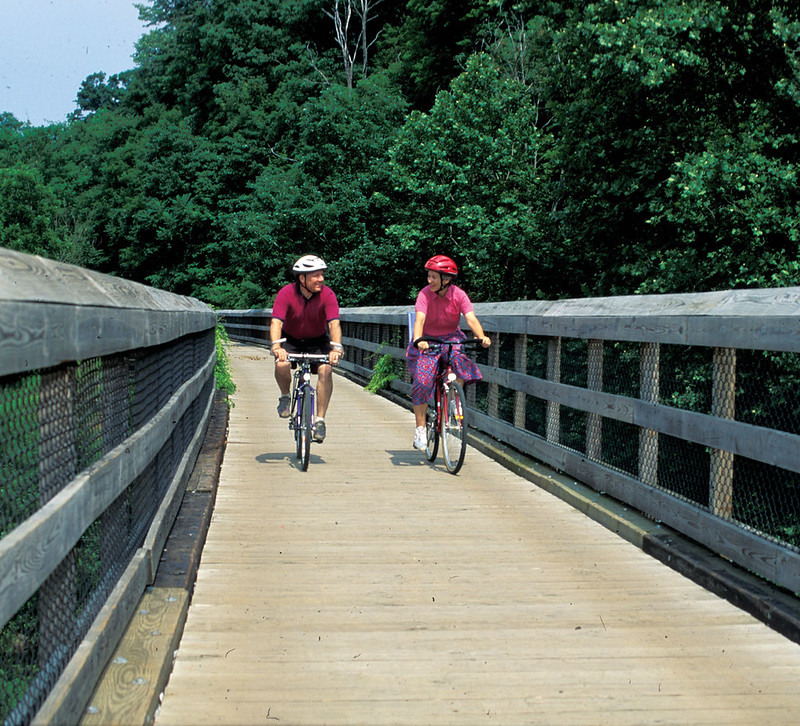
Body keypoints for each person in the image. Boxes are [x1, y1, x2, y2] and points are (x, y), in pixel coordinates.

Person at [407, 254, 491, 450]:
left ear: (446, 279)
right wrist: (418, 340)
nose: (429, 280)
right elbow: (419, 319)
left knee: (460, 360)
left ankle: (453, 398)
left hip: (451, 336)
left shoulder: (459, 295)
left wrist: (482, 336)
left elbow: (470, 318)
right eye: (428, 276)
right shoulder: (424, 294)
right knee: (422, 379)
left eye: (433, 277)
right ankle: (420, 428)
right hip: (428, 339)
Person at [270, 255, 343, 443]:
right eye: (316, 276)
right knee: (282, 364)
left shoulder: (327, 295)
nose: (321, 279)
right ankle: (285, 397)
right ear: (302, 279)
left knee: (326, 369)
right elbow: (276, 322)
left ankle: (320, 420)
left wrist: (336, 347)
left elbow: (334, 324)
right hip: (291, 339)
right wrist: (277, 346)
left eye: (322, 275)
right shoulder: (286, 293)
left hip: (318, 341)